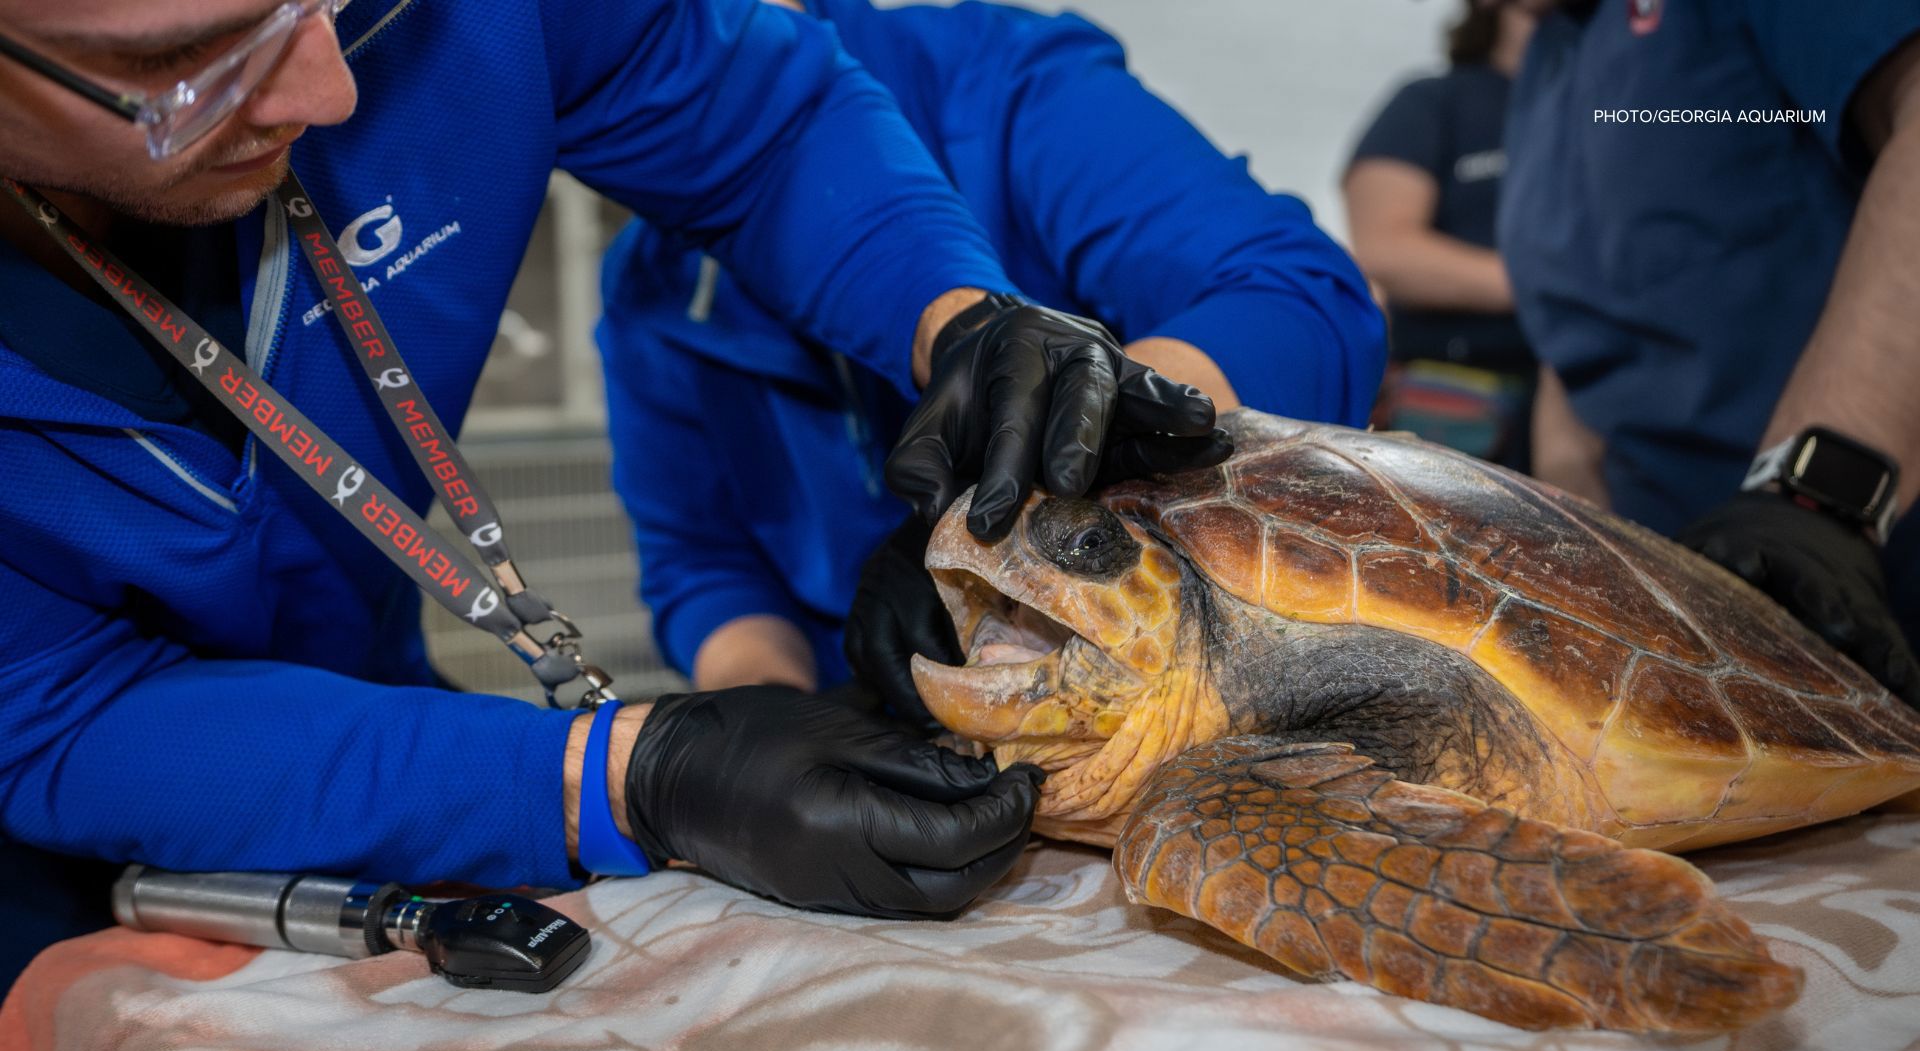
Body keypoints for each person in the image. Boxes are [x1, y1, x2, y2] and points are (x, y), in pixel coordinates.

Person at [0, 0, 1231, 986]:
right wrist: (623, 776)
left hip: (381, 728)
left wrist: (955, 317)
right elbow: (54, 711)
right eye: (191, 59)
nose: (329, 92)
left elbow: (758, 122)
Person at [598, 0, 1384, 698]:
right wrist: (767, 718)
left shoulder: (1004, 86)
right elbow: (700, 563)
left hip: (1154, 673)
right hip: (868, 704)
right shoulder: (650, 282)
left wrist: (1039, 471)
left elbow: (1301, 301)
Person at [1496, 0, 1920, 705]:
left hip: (1861, 573)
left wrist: (1818, 505)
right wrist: (1585, 564)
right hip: (1678, 626)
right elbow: (1574, 336)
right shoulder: (1550, 55)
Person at [1344, 0, 1539, 472]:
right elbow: (1384, 250)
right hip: (1461, 391)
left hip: (1603, 389)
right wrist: (1561, 289)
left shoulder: (1627, 116)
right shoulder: (1432, 101)